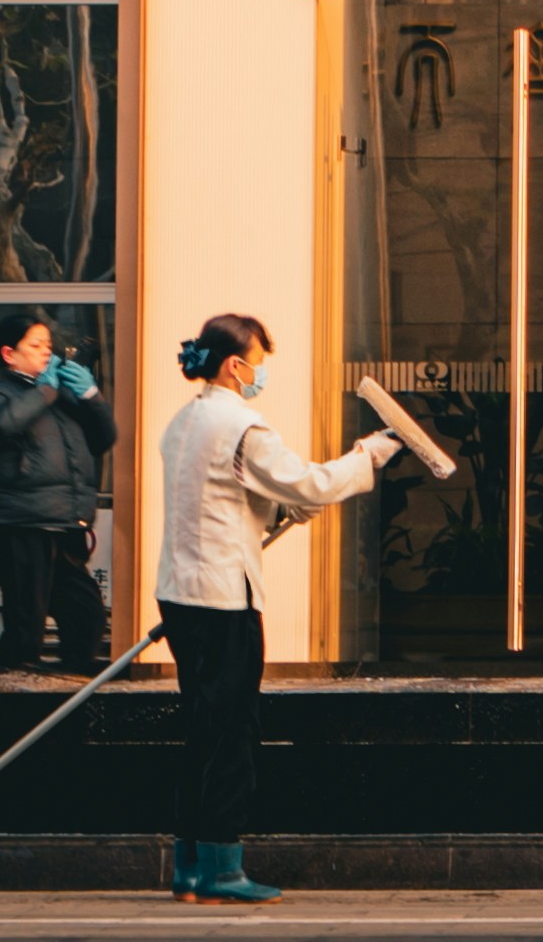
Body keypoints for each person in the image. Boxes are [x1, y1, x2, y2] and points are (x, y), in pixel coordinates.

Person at [152, 310, 422, 903]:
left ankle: (189, 868)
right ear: (235, 365)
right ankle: (224, 869)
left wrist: (281, 508)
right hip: (225, 599)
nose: (260, 377)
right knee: (233, 734)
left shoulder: (183, 422)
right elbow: (308, 484)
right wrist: (369, 455)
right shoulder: (245, 428)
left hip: (179, 594)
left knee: (201, 729)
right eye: (259, 366)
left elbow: (228, 498)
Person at [0, 308, 116, 674]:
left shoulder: (59, 396)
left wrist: (92, 396)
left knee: (86, 615)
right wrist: (46, 389)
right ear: (9, 354)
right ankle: (17, 701)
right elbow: (5, 424)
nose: (46, 353)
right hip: (22, 525)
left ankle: (71, 696)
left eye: (49, 345)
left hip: (66, 525)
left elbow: (104, 438)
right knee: (26, 623)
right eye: (35, 345)